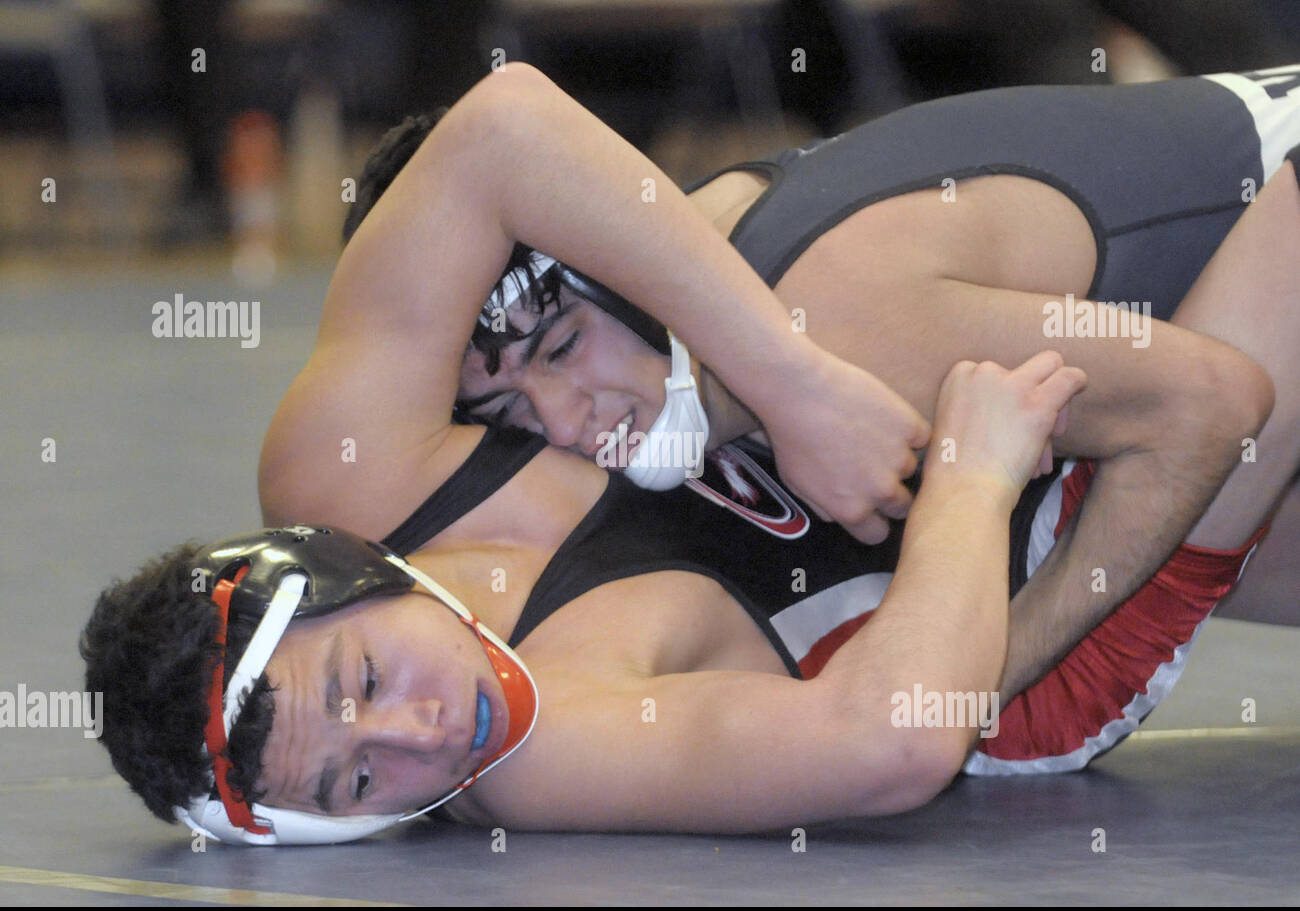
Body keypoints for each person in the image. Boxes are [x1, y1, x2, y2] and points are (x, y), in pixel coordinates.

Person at [81, 64, 1287, 842]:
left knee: (816, 300)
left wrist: (795, 386)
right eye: (357, 788)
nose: (420, 737)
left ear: (336, 574)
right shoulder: (539, 752)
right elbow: (900, 736)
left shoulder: (349, 477)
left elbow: (502, 129)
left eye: (362, 687)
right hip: (1022, 608)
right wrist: (968, 489)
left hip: (1028, 475)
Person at [344, 63, 1300, 685]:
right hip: (1222, 312)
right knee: (1124, 521)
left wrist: (989, 678)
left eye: (557, 350)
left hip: (1255, 280)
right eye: (506, 404)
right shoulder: (716, 253)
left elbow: (1213, 405)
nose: (559, 421)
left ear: (617, 261)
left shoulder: (826, 319)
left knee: (1113, 531)